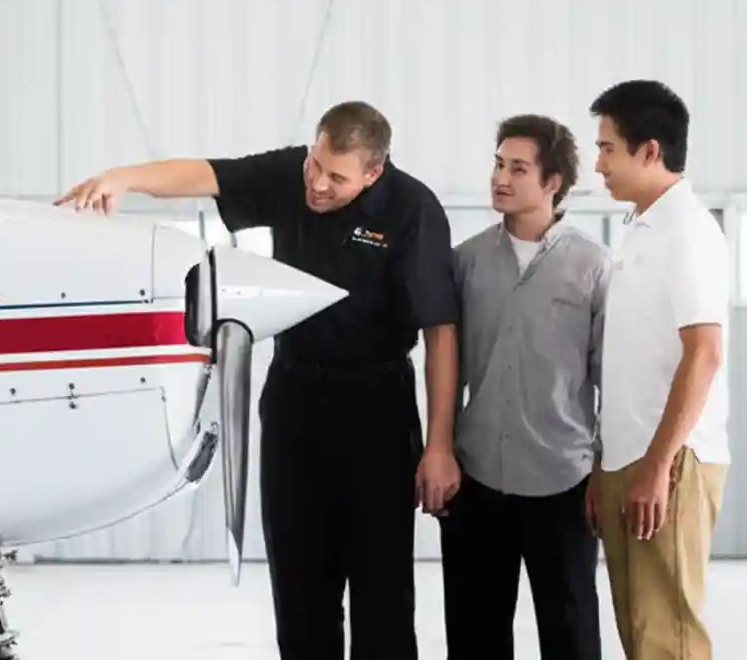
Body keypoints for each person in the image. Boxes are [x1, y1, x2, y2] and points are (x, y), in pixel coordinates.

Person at [55, 100, 460, 660]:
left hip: (377, 409)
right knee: (298, 587)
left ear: (374, 173)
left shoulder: (413, 209)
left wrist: (440, 445)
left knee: (381, 593)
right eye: (314, 164)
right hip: (295, 404)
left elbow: (440, 330)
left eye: (336, 177)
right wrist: (123, 179)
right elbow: (207, 173)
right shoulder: (292, 174)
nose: (317, 184)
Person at [439, 114, 610, 660]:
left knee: (572, 637)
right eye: (498, 163)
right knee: (475, 637)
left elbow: (611, 374)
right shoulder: (464, 263)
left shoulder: (592, 265)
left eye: (518, 167)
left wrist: (605, 471)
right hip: (478, 479)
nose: (500, 178)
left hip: (564, 482)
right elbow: (445, 366)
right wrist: (437, 450)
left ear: (554, 181)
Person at [589, 79, 730, 659]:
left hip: (668, 462)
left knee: (667, 635)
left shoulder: (686, 231)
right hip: (633, 457)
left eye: (607, 149)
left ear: (650, 151)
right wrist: (607, 465)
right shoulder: (641, 227)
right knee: (641, 631)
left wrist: (657, 465)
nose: (597, 165)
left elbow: (704, 353)